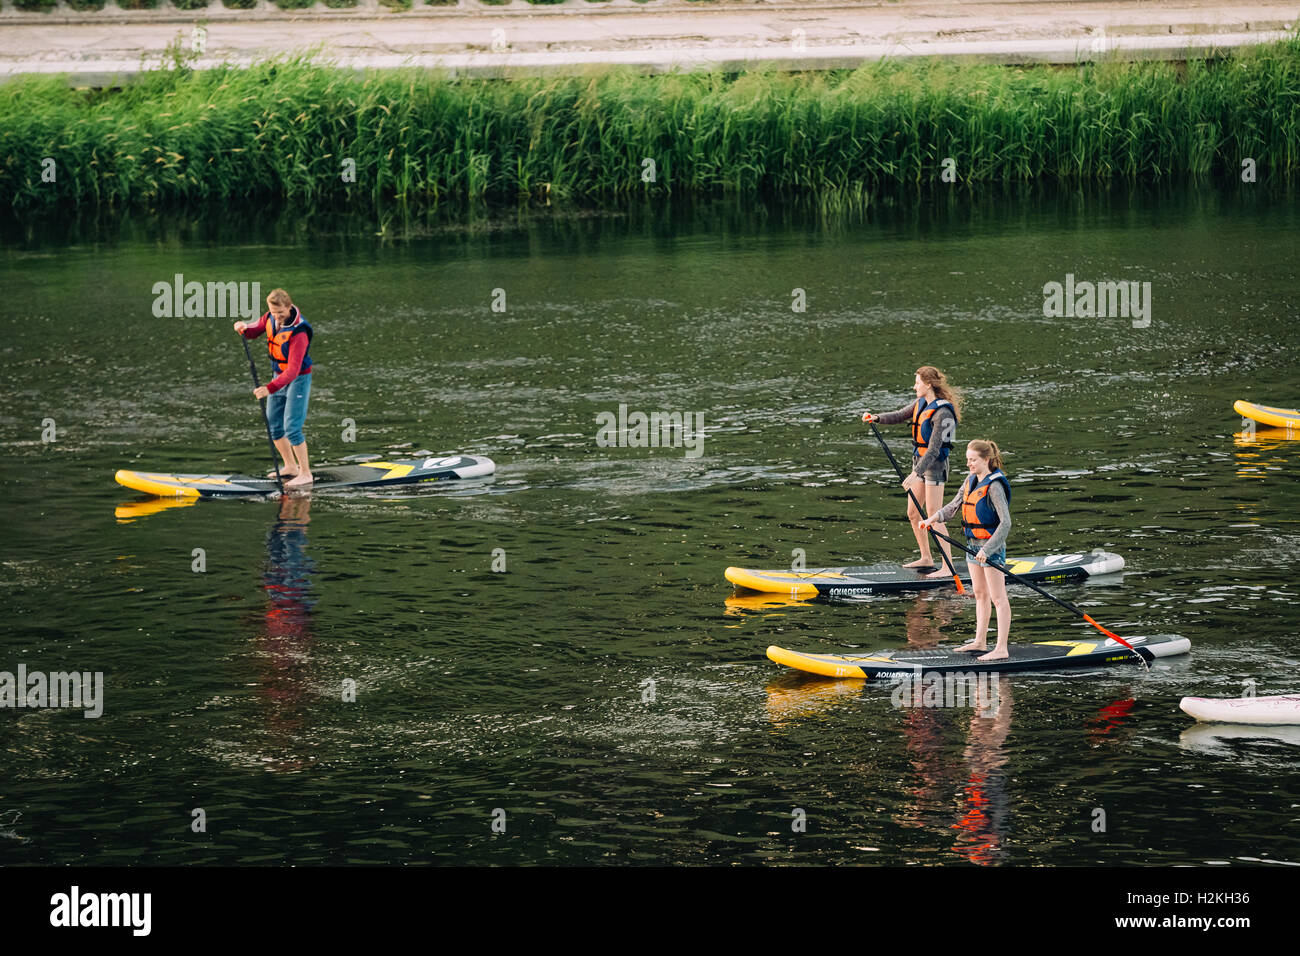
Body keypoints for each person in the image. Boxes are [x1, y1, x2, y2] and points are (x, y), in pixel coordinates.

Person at [862, 366, 962, 576]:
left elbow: (934, 449)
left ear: (927, 384)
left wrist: (917, 473)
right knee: (913, 512)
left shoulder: (943, 411)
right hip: (919, 463)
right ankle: (926, 558)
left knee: (934, 517)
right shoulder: (921, 403)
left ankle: (947, 567)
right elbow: (899, 415)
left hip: (934, 466)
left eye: (917, 382)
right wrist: (876, 418)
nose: (914, 386)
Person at [920, 440, 1012, 661]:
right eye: (968, 459)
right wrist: (931, 519)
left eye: (973, 460)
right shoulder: (970, 481)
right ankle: (980, 641)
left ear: (986, 460)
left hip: (991, 548)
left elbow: (1006, 523)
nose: (969, 464)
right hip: (972, 546)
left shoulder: (995, 486)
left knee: (998, 598)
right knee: (980, 595)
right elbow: (953, 506)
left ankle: (1001, 648)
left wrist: (988, 550)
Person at [234, 289, 314, 489]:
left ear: (289, 307)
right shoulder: (270, 317)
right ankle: (291, 467)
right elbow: (254, 331)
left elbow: (293, 371)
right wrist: (244, 327)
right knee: (274, 426)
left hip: (298, 380)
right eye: (273, 312)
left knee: (292, 428)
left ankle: (306, 473)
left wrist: (268, 389)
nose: (277, 317)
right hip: (278, 376)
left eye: (281, 313)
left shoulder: (299, 332)